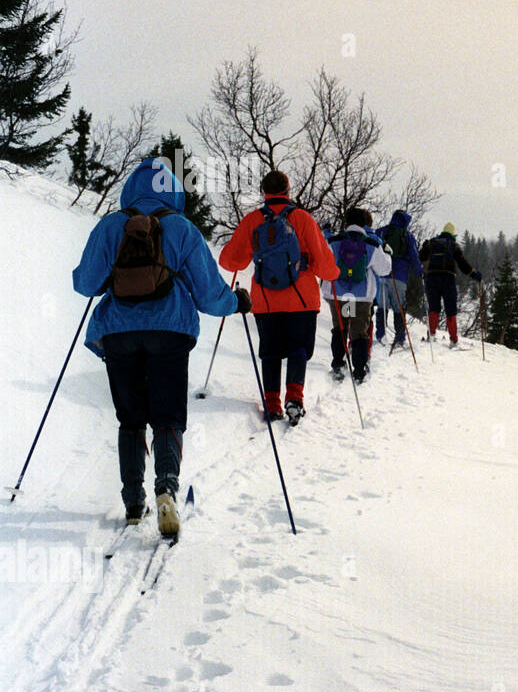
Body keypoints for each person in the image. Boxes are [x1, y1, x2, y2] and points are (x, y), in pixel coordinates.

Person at [73, 159, 250, 536]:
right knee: (168, 416)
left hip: (118, 333)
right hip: (170, 331)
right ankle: (166, 488)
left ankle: (133, 502)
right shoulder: (182, 228)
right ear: (172, 190)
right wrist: (238, 302)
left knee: (130, 417)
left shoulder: (111, 225)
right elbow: (210, 295)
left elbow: (86, 284)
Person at [219, 170, 338, 424]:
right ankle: (294, 398)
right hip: (302, 299)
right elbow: (325, 266)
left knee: (270, 350)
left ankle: (272, 403)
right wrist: (334, 271)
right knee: (299, 348)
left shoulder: (253, 220)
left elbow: (229, 261)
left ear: (264, 192)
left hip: (265, 300)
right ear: (288, 190)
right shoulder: (303, 219)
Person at [322, 207, 392, 383]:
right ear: (365, 224)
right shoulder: (371, 245)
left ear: (347, 223)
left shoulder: (334, 241)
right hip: (361, 296)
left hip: (339, 293)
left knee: (340, 328)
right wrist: (388, 255)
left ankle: (338, 364)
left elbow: (324, 264)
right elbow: (384, 269)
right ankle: (359, 370)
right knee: (359, 331)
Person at [419, 223, 482, 346]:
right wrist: (474, 274)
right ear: (453, 234)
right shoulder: (453, 245)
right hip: (448, 279)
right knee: (451, 309)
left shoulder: (432, 243)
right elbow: (462, 263)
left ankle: (431, 335)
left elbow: (421, 257)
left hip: (432, 278)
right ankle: (453, 339)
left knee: (434, 307)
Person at [374, 210, 421, 349]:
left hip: (382, 273)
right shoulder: (408, 236)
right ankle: (400, 337)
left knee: (382, 306)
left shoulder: (381, 232)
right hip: (399, 276)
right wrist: (419, 271)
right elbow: (414, 256)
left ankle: (381, 334)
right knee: (398, 307)